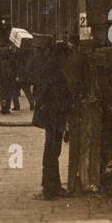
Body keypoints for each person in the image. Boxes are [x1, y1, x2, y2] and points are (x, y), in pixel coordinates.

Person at [32, 40, 73, 197]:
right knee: (53, 150)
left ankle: (50, 183)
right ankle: (51, 187)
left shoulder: (49, 68)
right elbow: (59, 96)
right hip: (54, 116)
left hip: (51, 116)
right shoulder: (55, 72)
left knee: (51, 149)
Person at [0, 41, 18, 114]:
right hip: (8, 78)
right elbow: (14, 65)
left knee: (0, 93)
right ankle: (7, 108)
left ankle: (2, 107)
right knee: (8, 93)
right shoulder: (8, 51)